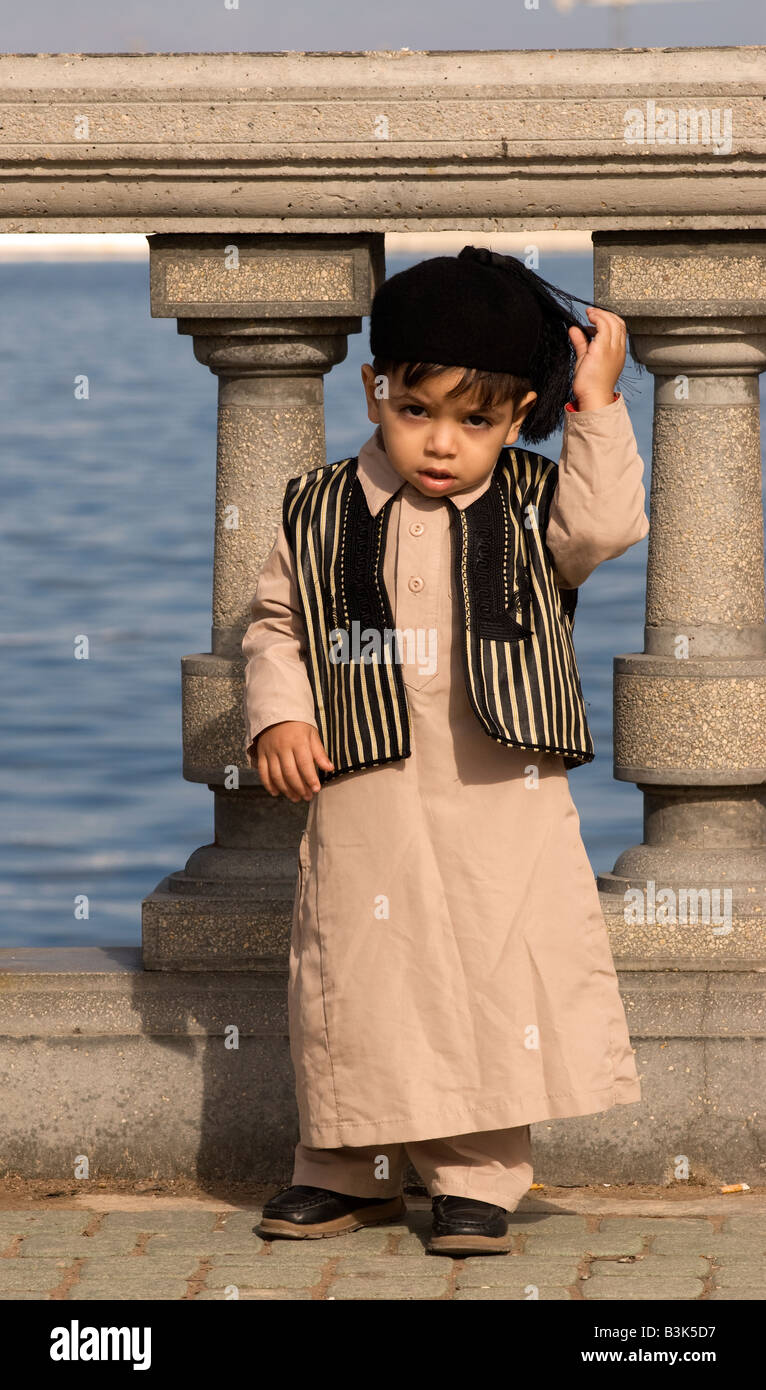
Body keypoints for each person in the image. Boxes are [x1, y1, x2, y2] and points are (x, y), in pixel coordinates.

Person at [241, 246, 649, 1257]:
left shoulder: (533, 500)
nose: (441, 444)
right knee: (356, 967)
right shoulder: (318, 503)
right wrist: (279, 716)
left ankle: (477, 1176)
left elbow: (608, 524)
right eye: (417, 409)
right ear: (375, 388)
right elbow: (275, 627)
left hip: (499, 783)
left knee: (489, 964)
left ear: (517, 420)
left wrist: (596, 400)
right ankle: (344, 1166)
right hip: (362, 779)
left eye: (476, 422)